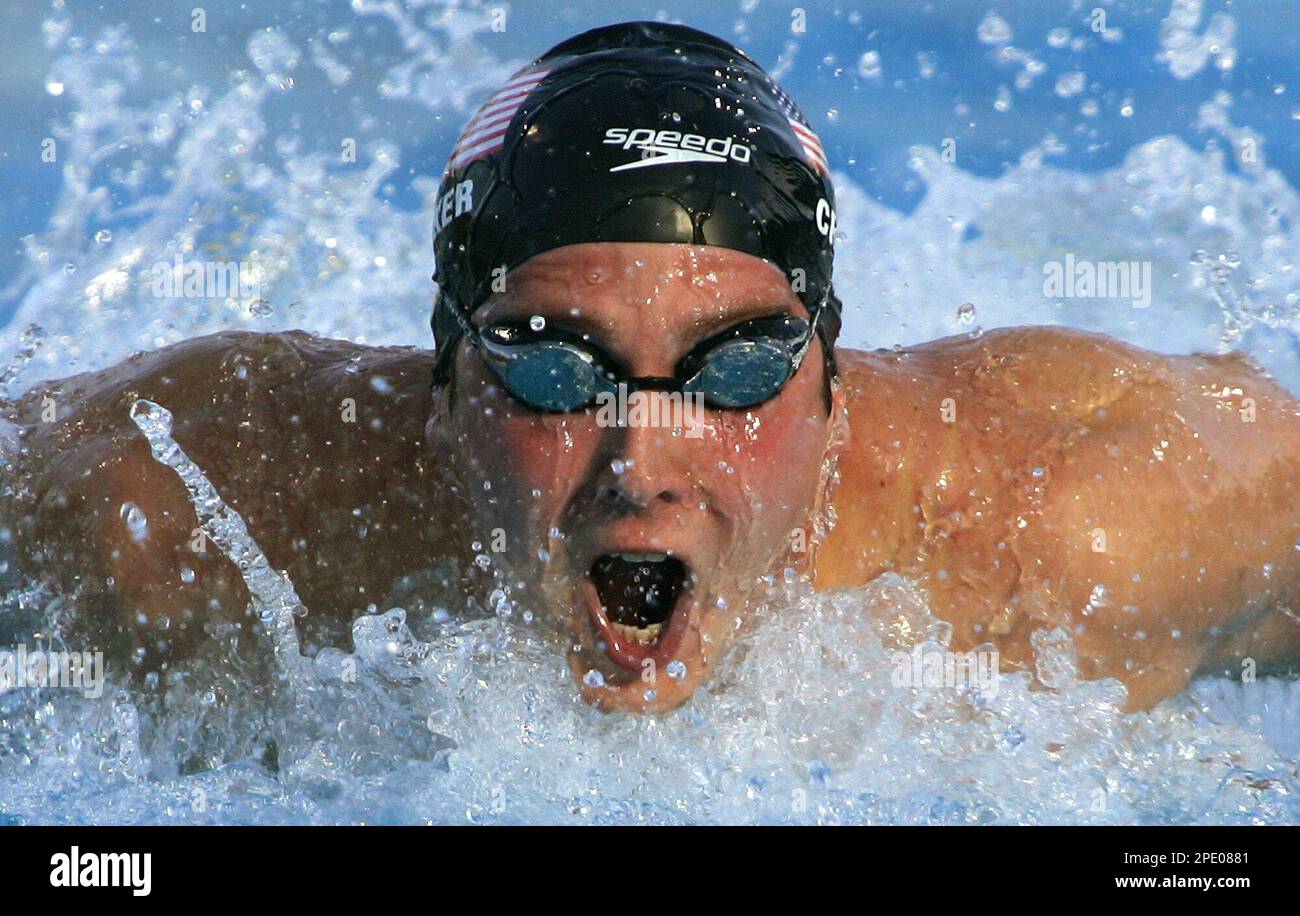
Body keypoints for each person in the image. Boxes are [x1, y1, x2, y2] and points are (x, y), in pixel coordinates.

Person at [3, 21, 1299, 715]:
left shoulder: (1066, 525)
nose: (645, 467)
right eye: (558, 373)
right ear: (444, 385)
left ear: (830, 380)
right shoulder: (188, 506)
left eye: (735, 375)